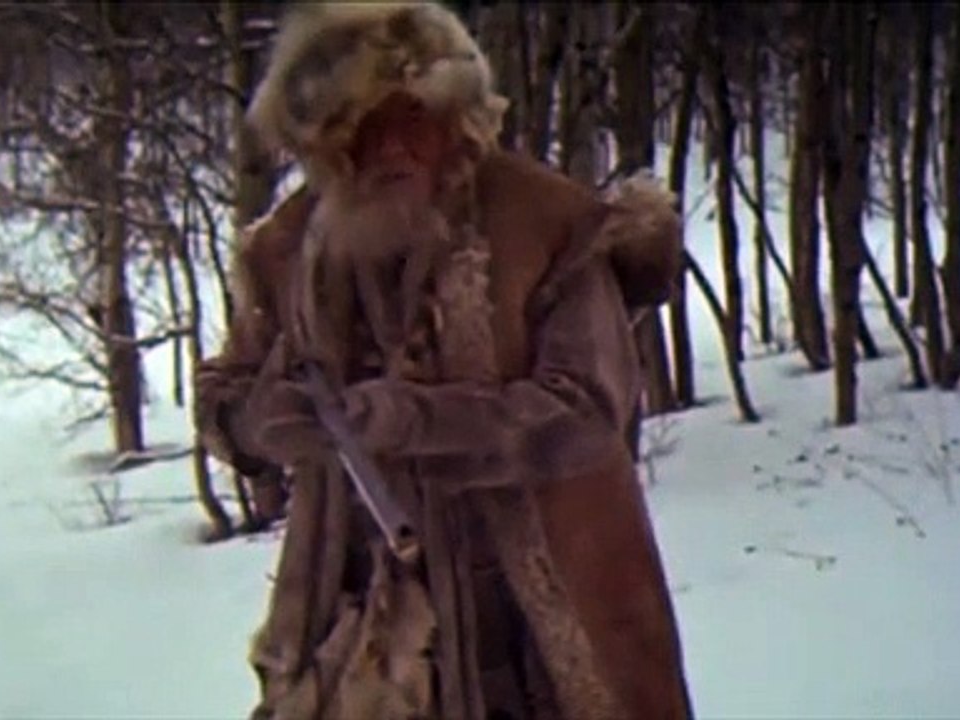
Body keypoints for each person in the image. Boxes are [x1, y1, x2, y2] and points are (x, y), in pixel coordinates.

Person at [194, 3, 693, 718]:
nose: (393, 147)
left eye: (414, 117)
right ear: (325, 139)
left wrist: (418, 420)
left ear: (456, 116)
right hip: (359, 632)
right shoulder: (289, 247)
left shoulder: (544, 221)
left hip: (541, 612)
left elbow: (585, 412)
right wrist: (255, 421)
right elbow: (226, 391)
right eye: (364, 125)